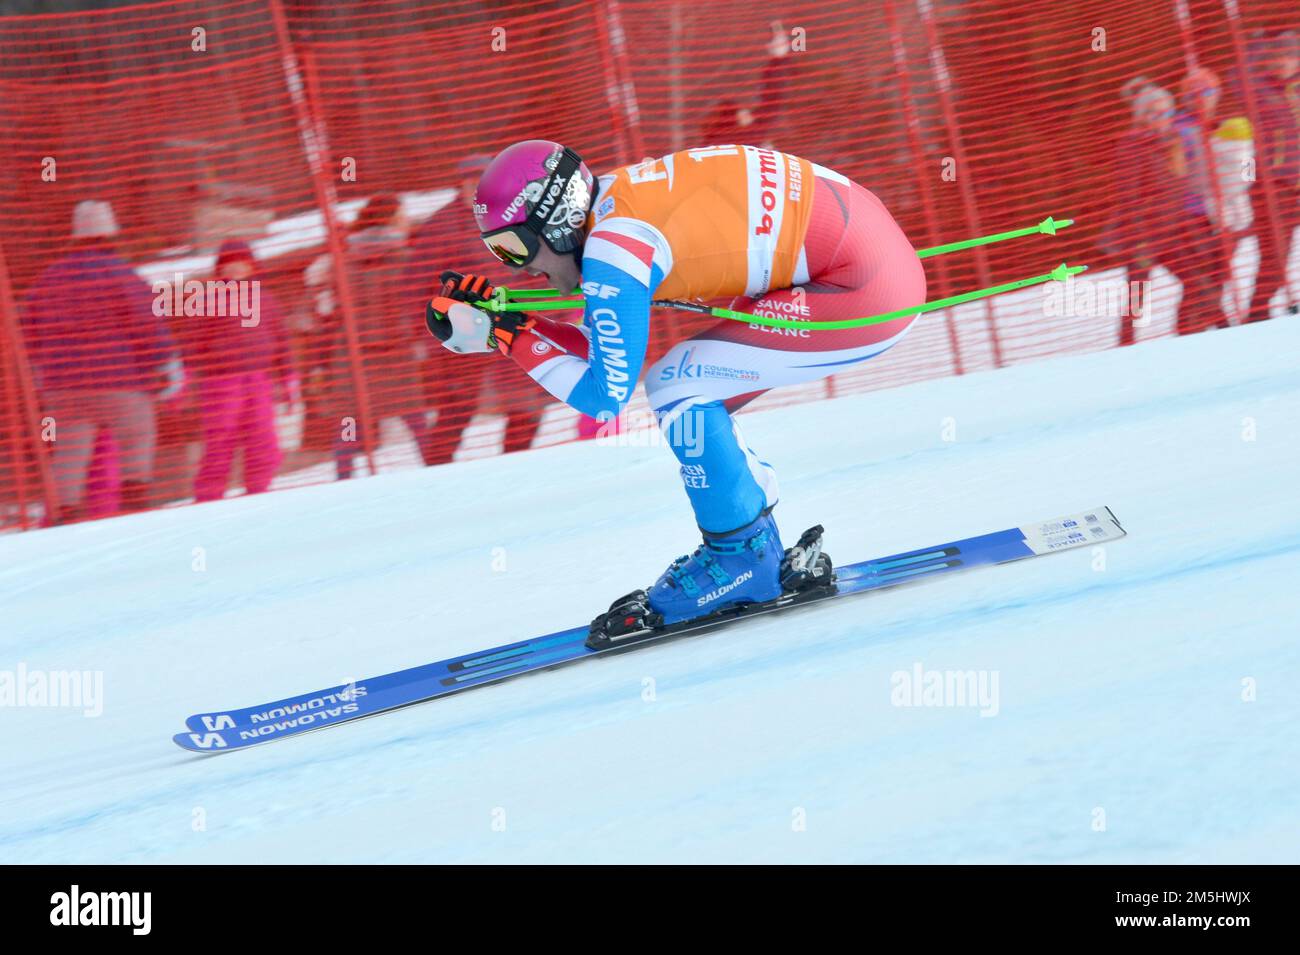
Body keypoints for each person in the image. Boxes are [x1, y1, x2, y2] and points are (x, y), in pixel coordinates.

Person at [425, 140, 925, 630]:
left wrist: (506, 337)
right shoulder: (614, 210)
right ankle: (749, 532)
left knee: (678, 386)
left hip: (863, 286)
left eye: (514, 247)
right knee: (681, 381)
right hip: (866, 258)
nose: (517, 268)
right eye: (497, 252)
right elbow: (607, 352)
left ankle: (742, 556)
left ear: (557, 224)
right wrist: (512, 325)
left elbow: (605, 396)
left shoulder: (616, 249)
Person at [21, 199, 184, 523]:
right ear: (111, 235)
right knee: (138, 432)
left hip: (63, 387)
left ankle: (62, 515)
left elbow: (30, 330)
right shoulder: (122, 275)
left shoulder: (48, 279)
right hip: (118, 381)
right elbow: (146, 322)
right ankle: (136, 502)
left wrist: (42, 374)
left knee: (69, 451)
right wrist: (167, 362)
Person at [404, 155, 546, 462]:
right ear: (461, 185)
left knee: (527, 400)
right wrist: (424, 331)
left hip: (514, 320)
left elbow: (537, 266)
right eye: (473, 181)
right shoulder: (441, 226)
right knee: (458, 406)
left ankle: (516, 461)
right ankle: (437, 469)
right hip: (465, 327)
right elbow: (414, 283)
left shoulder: (516, 217)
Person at [306, 194, 430, 478]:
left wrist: (319, 362)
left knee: (348, 430)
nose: (406, 221)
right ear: (389, 220)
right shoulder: (407, 259)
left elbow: (325, 317)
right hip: (395, 354)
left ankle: (343, 483)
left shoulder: (340, 261)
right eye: (401, 216)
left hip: (352, 357)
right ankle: (439, 474)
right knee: (417, 423)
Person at [190, 239, 294, 502]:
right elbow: (194, 343)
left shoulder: (266, 299)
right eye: (228, 265)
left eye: (241, 264)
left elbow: (282, 340)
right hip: (221, 382)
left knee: (263, 439)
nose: (234, 269)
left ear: (251, 267)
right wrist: (187, 375)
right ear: (220, 271)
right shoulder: (208, 299)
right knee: (220, 441)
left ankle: (258, 493)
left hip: (259, 378)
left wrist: (289, 378)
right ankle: (209, 497)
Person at [1241, 31, 1300, 323]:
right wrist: (1255, 46)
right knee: (1275, 261)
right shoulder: (1260, 89)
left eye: (1290, 56)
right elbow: (1237, 77)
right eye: (1277, 57)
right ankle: (1255, 317)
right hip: (1275, 188)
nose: (1283, 62)